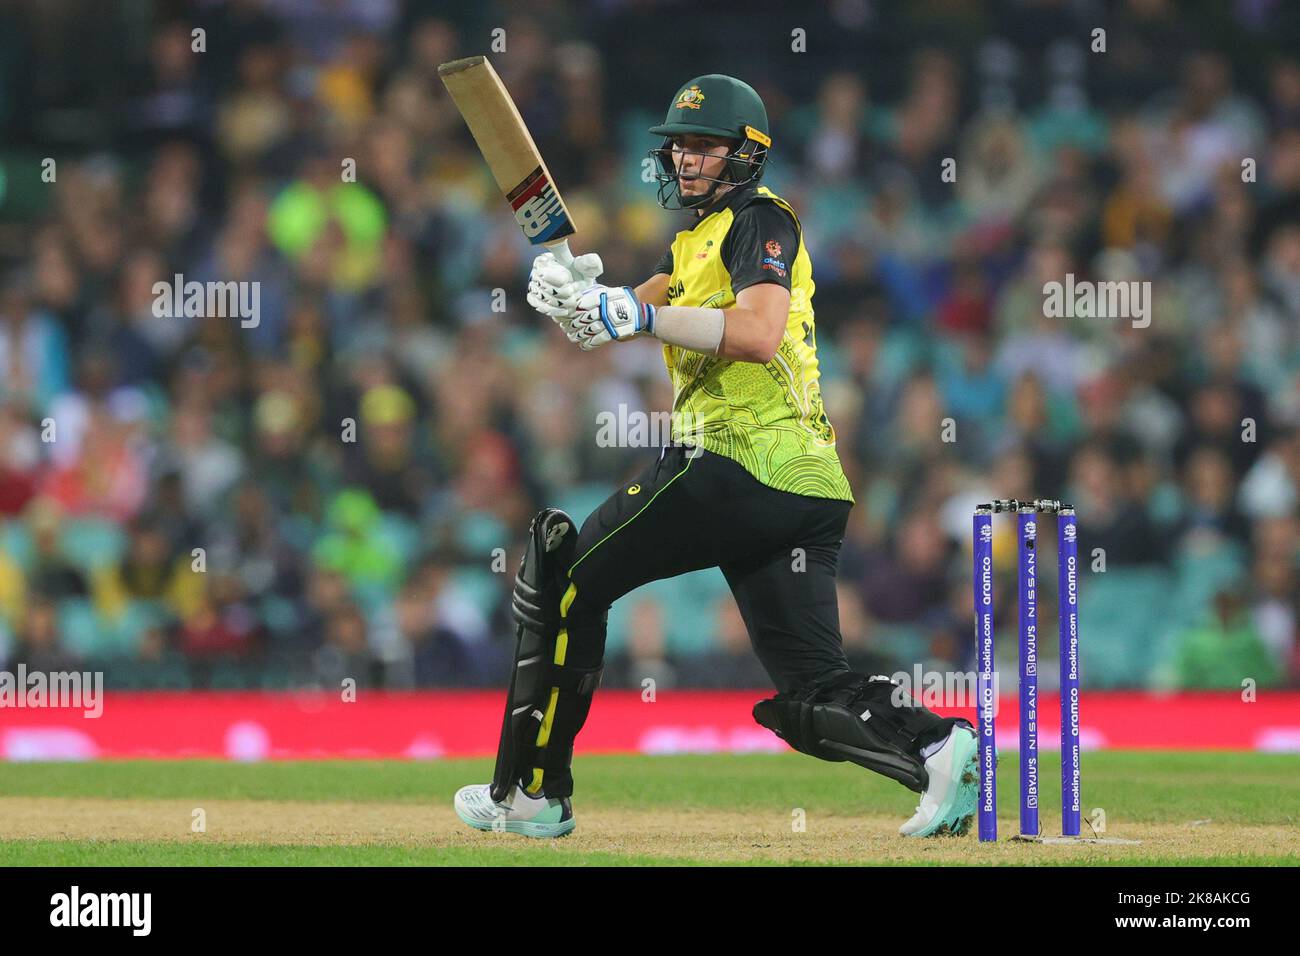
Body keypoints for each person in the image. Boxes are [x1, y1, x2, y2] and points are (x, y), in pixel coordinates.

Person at [454, 75, 977, 839]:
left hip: (735, 463)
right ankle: (936, 747)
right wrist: (571, 295)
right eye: (680, 147)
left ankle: (533, 793)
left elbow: (757, 332)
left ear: (747, 154)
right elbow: (609, 325)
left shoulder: (761, 220)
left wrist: (631, 311)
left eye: (704, 146)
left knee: (565, 579)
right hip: (802, 493)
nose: (687, 160)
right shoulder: (691, 245)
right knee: (811, 693)